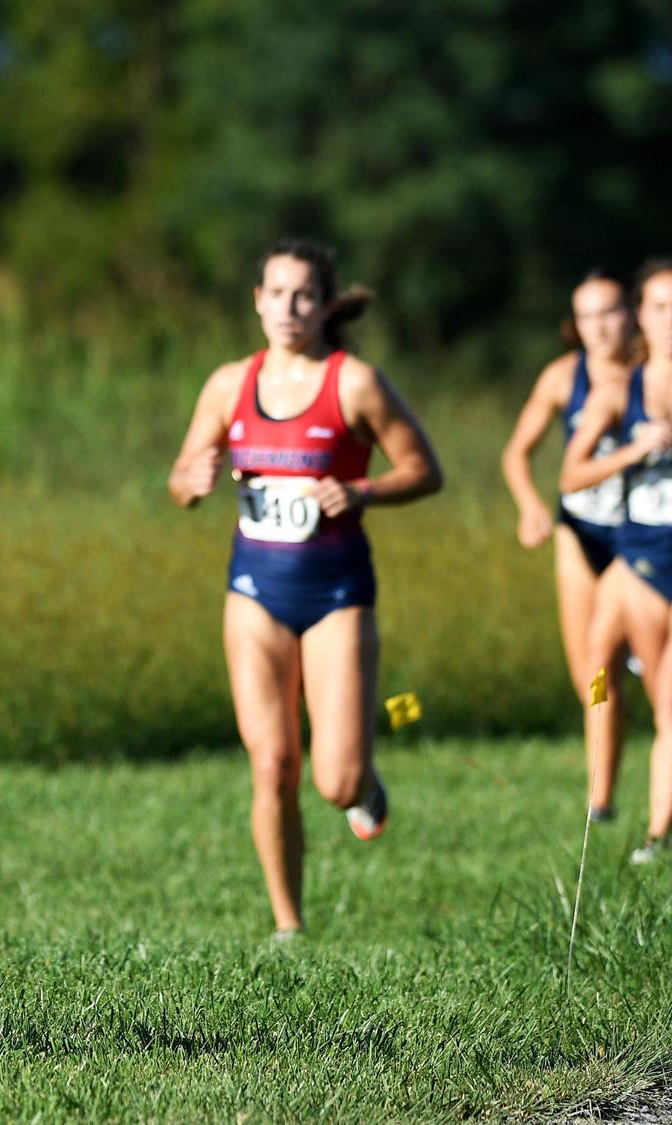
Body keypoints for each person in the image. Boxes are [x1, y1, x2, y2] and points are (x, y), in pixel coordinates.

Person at [167, 239, 443, 938]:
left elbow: (424, 469)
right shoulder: (228, 383)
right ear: (256, 300)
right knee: (273, 763)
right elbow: (181, 476)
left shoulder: (355, 382)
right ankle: (289, 926)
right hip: (254, 591)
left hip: (336, 592)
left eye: (304, 296)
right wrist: (190, 484)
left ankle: (365, 786)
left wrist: (363, 489)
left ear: (324, 306)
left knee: (335, 781)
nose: (288, 308)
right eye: (276, 293)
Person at [560, 258, 672, 864]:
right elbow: (572, 474)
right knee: (608, 677)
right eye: (659, 307)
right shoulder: (615, 393)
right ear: (641, 316)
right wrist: (630, 452)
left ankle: (657, 836)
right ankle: (610, 790)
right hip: (634, 564)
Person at [499, 271, 639, 821]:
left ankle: (615, 790)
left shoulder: (657, 376)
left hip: (644, 536)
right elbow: (517, 453)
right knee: (594, 675)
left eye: (609, 312)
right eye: (587, 316)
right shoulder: (563, 377)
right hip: (580, 532)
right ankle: (601, 798)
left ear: (632, 313)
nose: (600, 327)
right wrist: (531, 506)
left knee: (626, 664)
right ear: (573, 325)